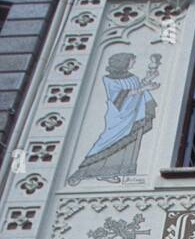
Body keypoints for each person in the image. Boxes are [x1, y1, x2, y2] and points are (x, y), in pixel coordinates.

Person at [67, 51, 160, 184]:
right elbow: (119, 97)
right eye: (132, 60)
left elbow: (137, 88)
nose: (133, 62)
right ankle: (82, 173)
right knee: (108, 141)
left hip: (134, 114)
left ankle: (114, 171)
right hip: (119, 116)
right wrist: (144, 88)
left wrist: (148, 80)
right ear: (123, 63)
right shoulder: (109, 80)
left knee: (129, 142)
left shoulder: (132, 77)